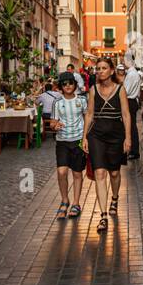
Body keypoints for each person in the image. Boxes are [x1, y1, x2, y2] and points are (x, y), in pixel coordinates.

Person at [82, 57, 132, 233]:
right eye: (98, 68)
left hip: (116, 136)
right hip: (97, 136)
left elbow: (126, 115)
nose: (100, 71)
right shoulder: (93, 90)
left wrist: (128, 138)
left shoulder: (120, 89)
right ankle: (103, 216)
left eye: (103, 68)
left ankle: (115, 198)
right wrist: (84, 137)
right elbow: (89, 114)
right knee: (100, 173)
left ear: (111, 71)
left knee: (115, 172)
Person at [51, 72, 87, 219]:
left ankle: (76, 203)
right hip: (62, 142)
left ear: (74, 85)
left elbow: (88, 118)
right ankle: (65, 200)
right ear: (61, 86)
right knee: (61, 172)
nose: (68, 86)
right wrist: (56, 125)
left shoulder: (82, 100)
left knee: (77, 173)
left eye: (70, 83)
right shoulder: (57, 103)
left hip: (78, 140)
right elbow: (52, 122)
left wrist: (86, 139)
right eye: (64, 84)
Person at [123, 57, 142, 160]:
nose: (123, 62)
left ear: (129, 61)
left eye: (124, 60)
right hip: (131, 101)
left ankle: (134, 151)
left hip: (130, 101)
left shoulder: (132, 74)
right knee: (131, 126)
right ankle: (132, 150)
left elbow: (125, 91)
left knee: (131, 127)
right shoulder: (132, 73)